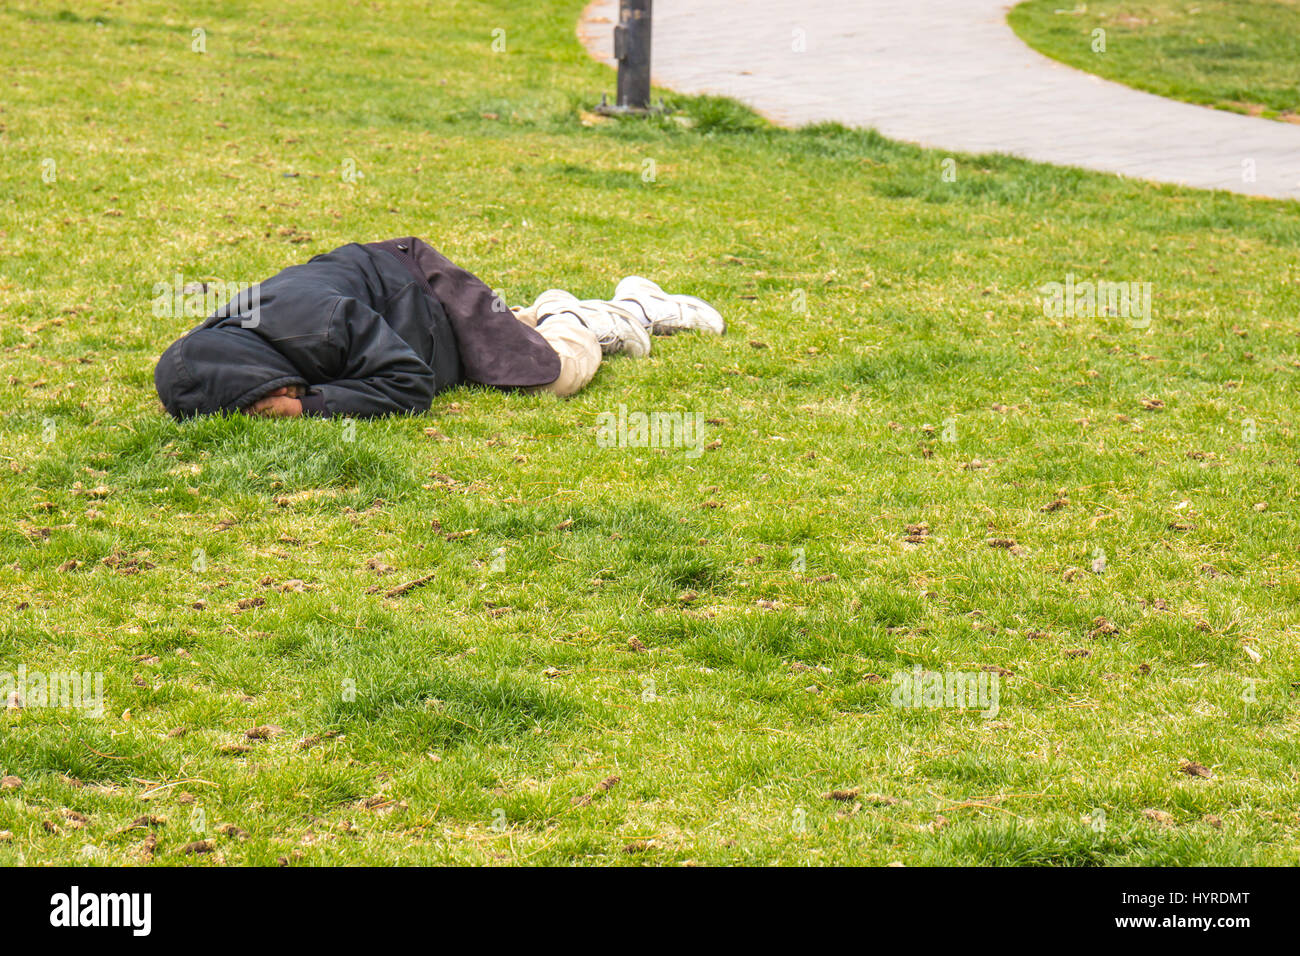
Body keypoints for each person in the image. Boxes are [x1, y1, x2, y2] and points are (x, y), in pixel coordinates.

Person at [153, 237, 725, 419]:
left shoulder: (320, 327)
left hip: (425, 289)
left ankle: (600, 314)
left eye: (260, 405)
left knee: (545, 374)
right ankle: (530, 318)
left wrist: (306, 408)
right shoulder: (224, 346)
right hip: (388, 308)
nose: (267, 407)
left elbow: (410, 384)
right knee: (507, 345)